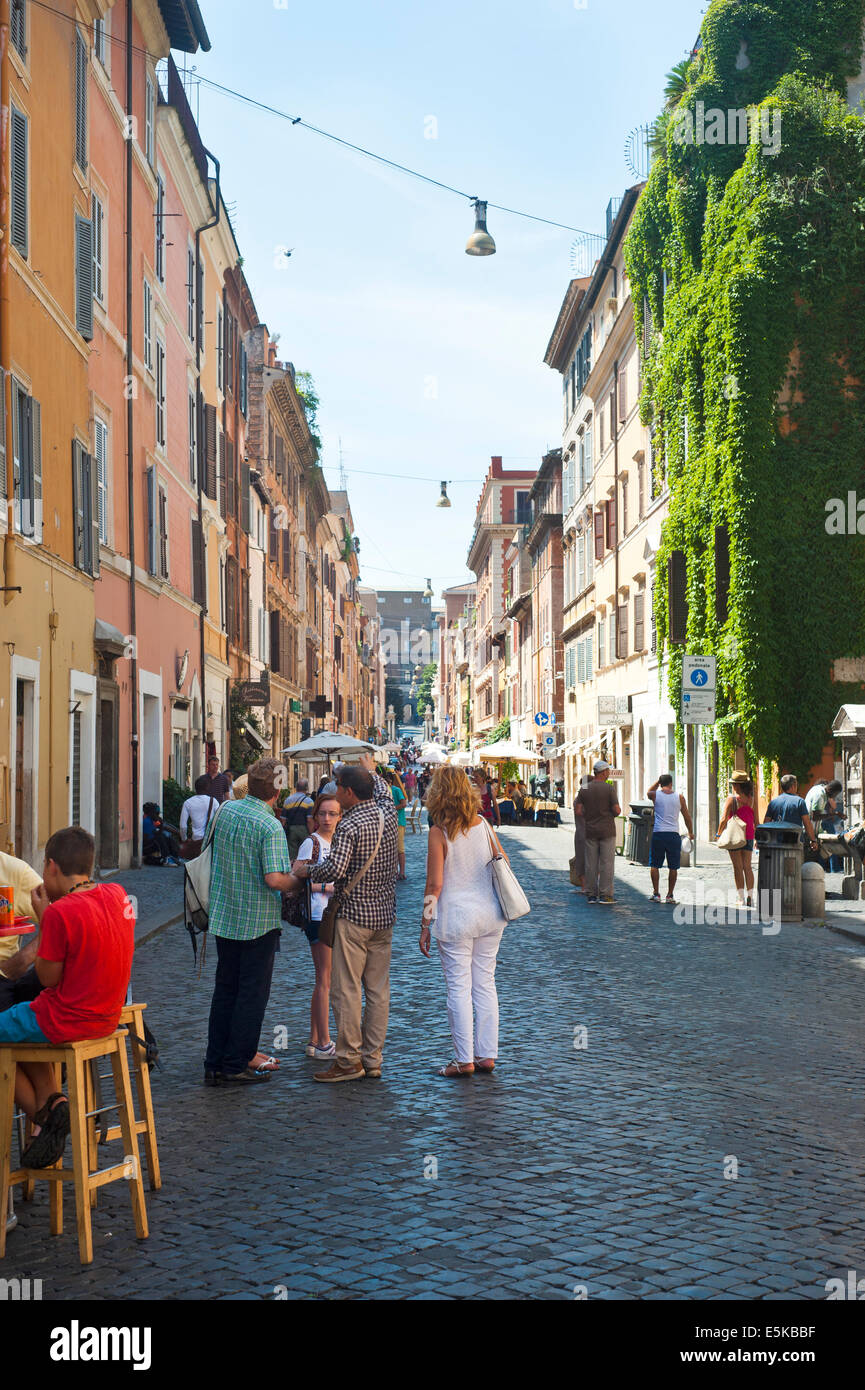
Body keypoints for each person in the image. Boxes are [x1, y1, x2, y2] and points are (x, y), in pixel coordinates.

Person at [0, 827, 135, 1168]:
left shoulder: (62, 913)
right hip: (106, 1015)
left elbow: (47, 977)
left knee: (11, 1025)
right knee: (16, 1022)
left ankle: (48, 1116)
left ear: (50, 867)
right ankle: (51, 1102)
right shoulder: (118, 894)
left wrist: (47, 920)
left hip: (65, 1018)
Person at [293, 765, 398, 1083]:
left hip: (353, 918)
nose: (335, 791)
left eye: (338, 786)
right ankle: (373, 1058)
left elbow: (334, 869)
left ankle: (349, 1060)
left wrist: (305, 870)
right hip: (384, 917)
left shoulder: (351, 823)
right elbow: (379, 788)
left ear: (349, 793)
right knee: (378, 991)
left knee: (347, 989)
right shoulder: (387, 813)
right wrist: (366, 769)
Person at [204, 757, 300, 1086]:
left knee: (225, 990)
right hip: (257, 921)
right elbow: (274, 878)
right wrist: (299, 881)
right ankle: (234, 1065)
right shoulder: (269, 825)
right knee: (251, 995)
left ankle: (214, 1061)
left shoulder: (226, 811)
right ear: (276, 790)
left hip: (224, 915)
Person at [419, 766, 508, 1077]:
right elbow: (503, 862)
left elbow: (434, 885)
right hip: (490, 915)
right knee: (485, 983)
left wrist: (425, 924)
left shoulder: (439, 832)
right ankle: (487, 1055)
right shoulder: (483, 824)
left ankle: (463, 1059)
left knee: (458, 987)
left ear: (437, 795)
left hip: (456, 918)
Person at [294, 794, 341, 1061]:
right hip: (316, 916)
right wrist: (328, 887)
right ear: (315, 816)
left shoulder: (340, 843)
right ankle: (324, 1042)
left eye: (332, 814)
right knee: (325, 979)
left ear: (340, 817)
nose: (326, 819)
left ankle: (313, 1040)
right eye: (322, 813)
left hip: (333, 915)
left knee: (323, 978)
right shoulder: (310, 844)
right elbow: (297, 879)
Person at [576, 760, 621, 904]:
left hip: (590, 830)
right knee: (606, 863)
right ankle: (605, 894)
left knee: (591, 863)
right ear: (603, 772)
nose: (608, 773)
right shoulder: (609, 789)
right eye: (608, 771)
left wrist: (589, 816)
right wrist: (610, 814)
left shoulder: (584, 789)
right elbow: (617, 810)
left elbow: (578, 811)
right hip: (607, 830)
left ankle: (591, 894)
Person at [647, 773, 694, 904]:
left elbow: (649, 792)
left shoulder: (655, 795)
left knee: (655, 865)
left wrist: (657, 782)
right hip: (673, 835)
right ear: (671, 783)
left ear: (661, 783)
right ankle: (670, 895)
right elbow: (687, 816)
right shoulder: (679, 797)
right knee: (673, 867)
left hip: (659, 833)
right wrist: (691, 832)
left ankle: (656, 894)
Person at [717, 772, 757, 908]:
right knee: (747, 866)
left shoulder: (732, 799)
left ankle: (741, 898)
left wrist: (718, 834)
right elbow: (755, 817)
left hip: (736, 835)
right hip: (749, 834)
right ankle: (750, 896)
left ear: (737, 785)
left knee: (737, 867)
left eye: (733, 784)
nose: (732, 786)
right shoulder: (751, 797)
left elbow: (723, 819)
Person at [765, 774, 819, 854]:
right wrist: (813, 840)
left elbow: (766, 823)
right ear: (793, 786)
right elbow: (807, 823)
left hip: (776, 843)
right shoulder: (799, 802)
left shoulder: (773, 802)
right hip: (795, 843)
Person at [281, 777, 315, 860]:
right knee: (304, 852)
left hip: (291, 829)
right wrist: (312, 833)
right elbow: (309, 820)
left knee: (292, 854)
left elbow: (283, 820)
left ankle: (292, 869)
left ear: (296, 787)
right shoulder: (309, 801)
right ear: (306, 788)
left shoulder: (288, 800)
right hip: (304, 829)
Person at [383, 769, 408, 880]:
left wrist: (391, 808)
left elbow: (403, 804)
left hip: (398, 823)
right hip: (386, 823)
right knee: (390, 849)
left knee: (400, 849)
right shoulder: (381, 792)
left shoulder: (396, 790)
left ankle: (402, 872)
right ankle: (393, 872)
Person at [179, 775, 218, 843]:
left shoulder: (188, 803)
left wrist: (184, 839)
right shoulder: (214, 801)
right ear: (207, 788)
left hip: (196, 840)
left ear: (195, 788)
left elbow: (183, 826)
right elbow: (219, 819)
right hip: (210, 840)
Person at [571, 774, 590, 893]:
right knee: (585, 860)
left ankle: (585, 887)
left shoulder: (579, 798)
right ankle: (586, 886)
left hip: (582, 833)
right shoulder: (584, 799)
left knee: (582, 860)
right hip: (585, 833)